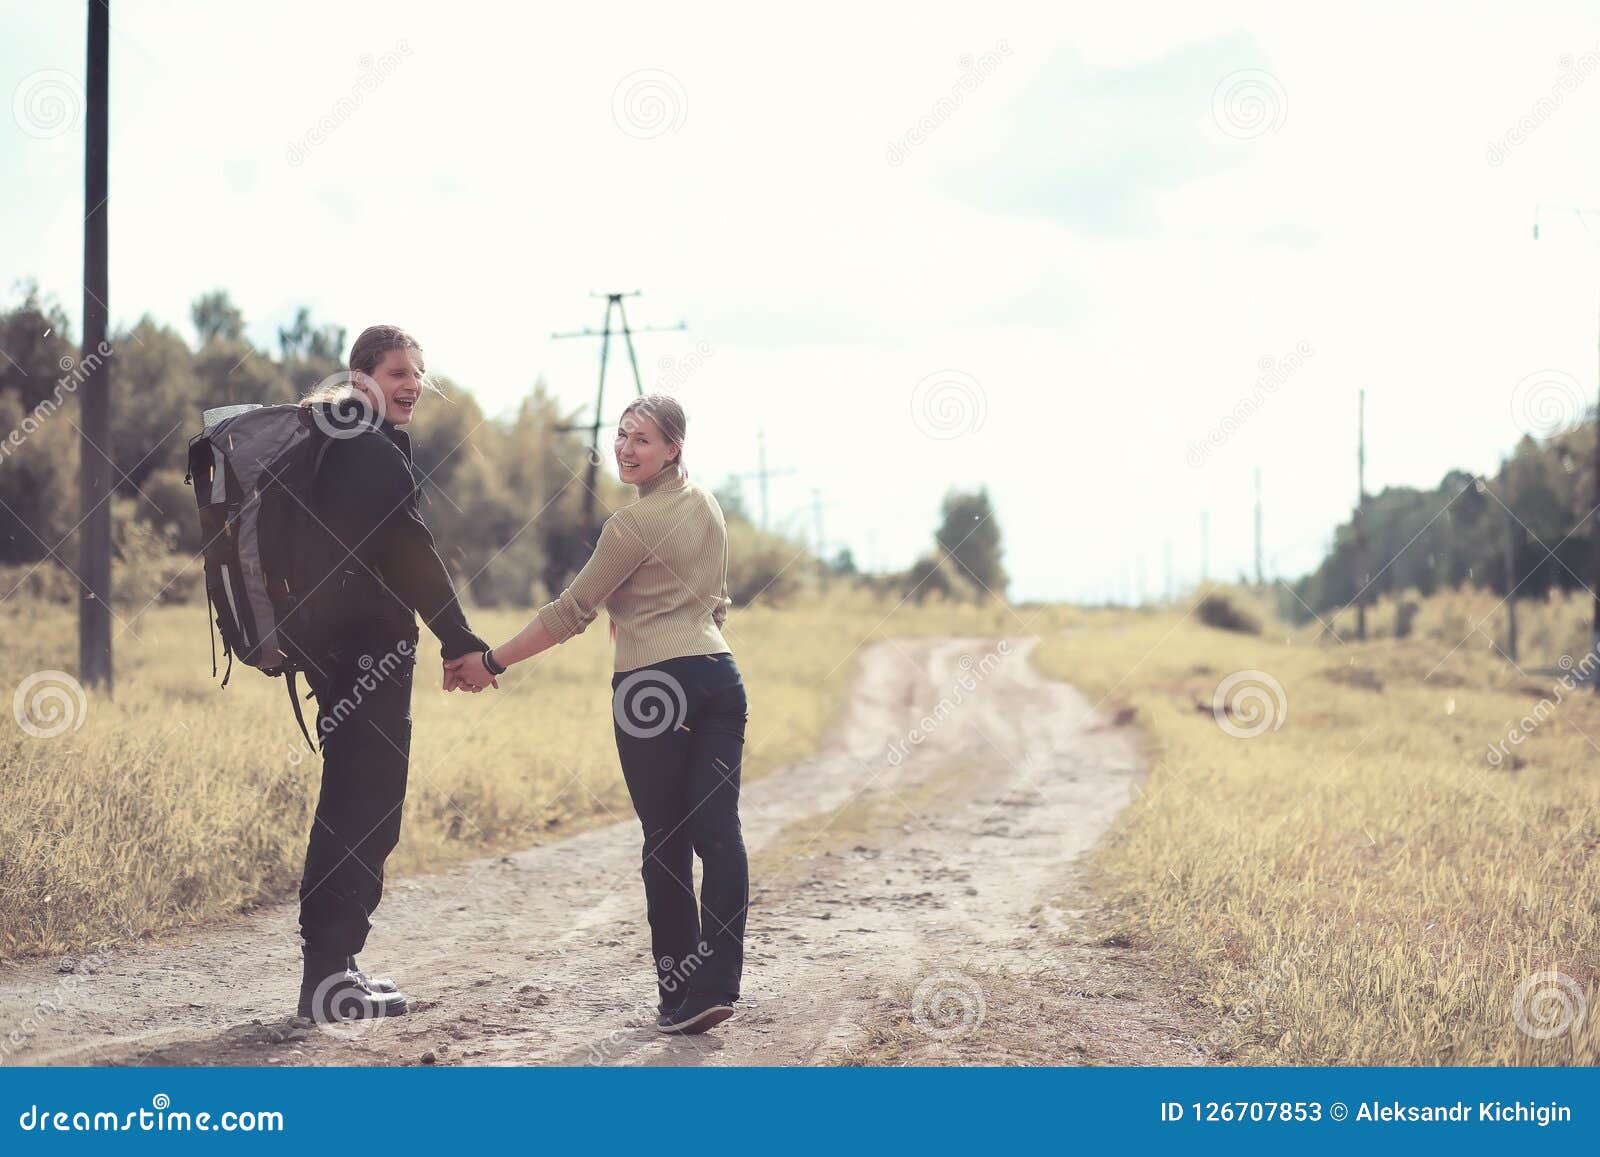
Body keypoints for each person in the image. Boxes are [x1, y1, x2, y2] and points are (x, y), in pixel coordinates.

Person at [446, 393, 748, 1035]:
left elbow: (570, 612)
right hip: (720, 678)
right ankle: (718, 984)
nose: (625, 449)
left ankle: (681, 994)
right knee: (719, 834)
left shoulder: (629, 526)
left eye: (643, 439)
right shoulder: (707, 505)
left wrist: (492, 661)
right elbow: (716, 603)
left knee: (666, 839)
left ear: (673, 448)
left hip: (651, 686)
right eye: (622, 435)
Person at [294, 324, 495, 1025]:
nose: (412, 385)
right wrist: (459, 641)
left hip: (342, 651)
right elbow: (411, 553)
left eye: (417, 373)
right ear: (361, 379)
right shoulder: (367, 450)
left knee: (353, 800)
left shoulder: (341, 441)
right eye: (397, 373)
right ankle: (328, 977)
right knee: (366, 805)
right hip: (364, 654)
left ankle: (333, 968)